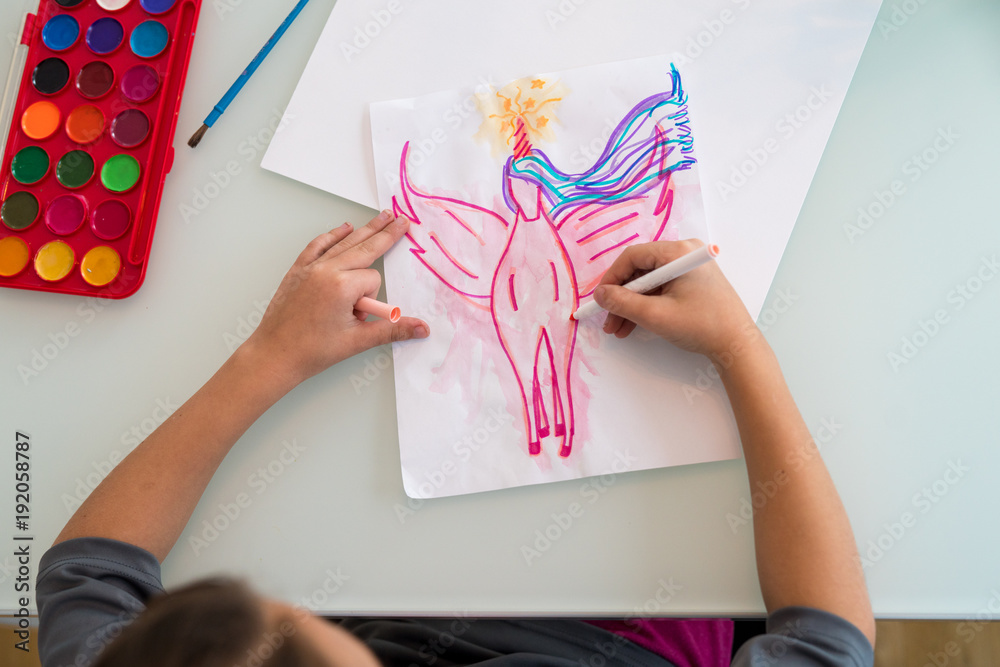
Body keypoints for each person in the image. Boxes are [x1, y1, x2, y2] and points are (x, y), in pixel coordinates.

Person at [37, 210, 876, 667]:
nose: (286, 604)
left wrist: (269, 357)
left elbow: (84, 571)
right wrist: (739, 347)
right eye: (289, 625)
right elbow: (827, 641)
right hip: (628, 630)